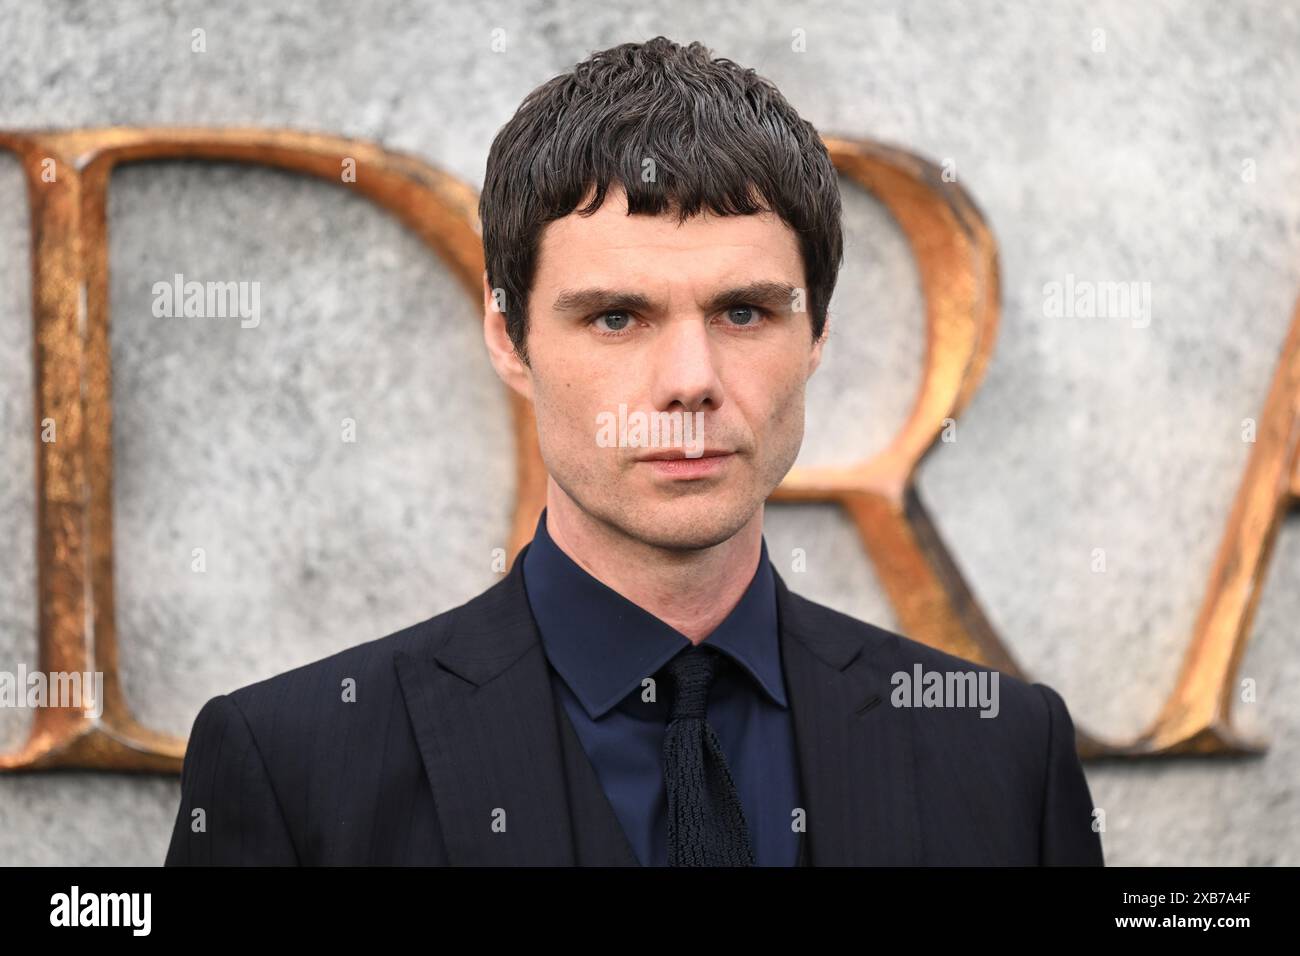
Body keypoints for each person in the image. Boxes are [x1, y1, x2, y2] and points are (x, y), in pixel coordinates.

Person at [165, 36, 1103, 867]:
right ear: (508, 338)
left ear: (815, 335)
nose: (689, 380)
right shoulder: (294, 767)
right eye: (617, 317)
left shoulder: (1005, 753)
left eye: (744, 312)